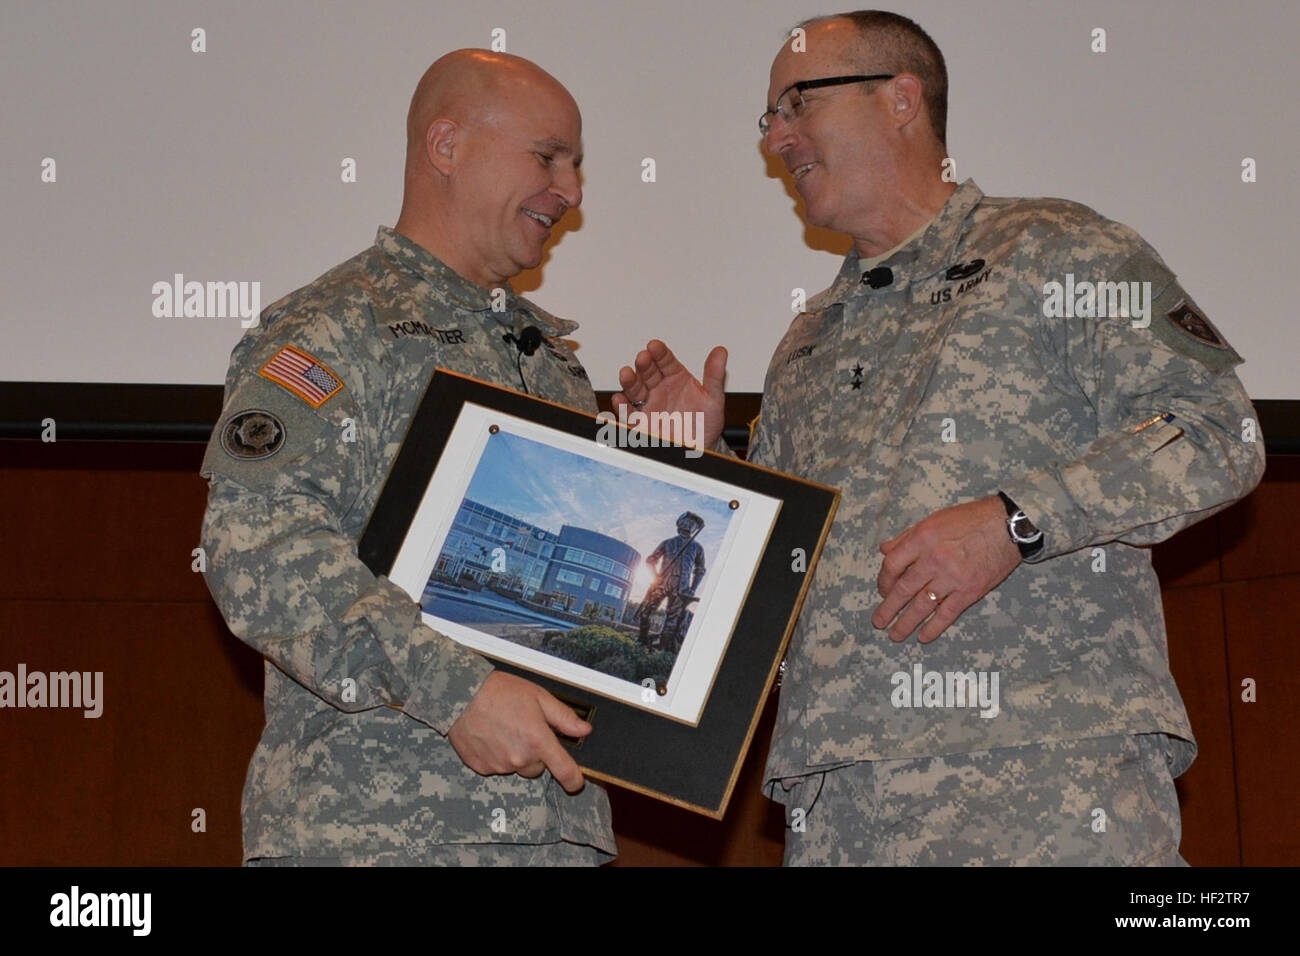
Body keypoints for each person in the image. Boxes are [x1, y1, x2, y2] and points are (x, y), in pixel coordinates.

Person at [615, 10, 1265, 865]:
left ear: (901, 100)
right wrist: (706, 466)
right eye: (768, 118)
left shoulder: (1055, 250)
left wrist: (1015, 520)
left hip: (1041, 783)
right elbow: (781, 571)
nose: (777, 137)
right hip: (840, 804)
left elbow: (1221, 431)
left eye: (796, 104)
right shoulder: (807, 341)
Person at [200, 50, 616, 866]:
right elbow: (257, 550)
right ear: (447, 145)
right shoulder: (330, 329)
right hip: (374, 836)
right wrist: (455, 690)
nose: (570, 191)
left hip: (554, 834)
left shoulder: (554, 364)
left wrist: (681, 457)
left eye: (576, 165)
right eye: (547, 156)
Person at [637, 511, 707, 654]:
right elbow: (650, 560)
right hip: (662, 584)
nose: (689, 524)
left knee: (672, 622)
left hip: (681, 588)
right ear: (680, 524)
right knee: (645, 613)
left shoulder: (698, 548)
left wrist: (693, 589)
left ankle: (661, 650)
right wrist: (655, 576)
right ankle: (642, 641)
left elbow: (700, 570)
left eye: (692, 523)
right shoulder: (667, 543)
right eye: (687, 521)